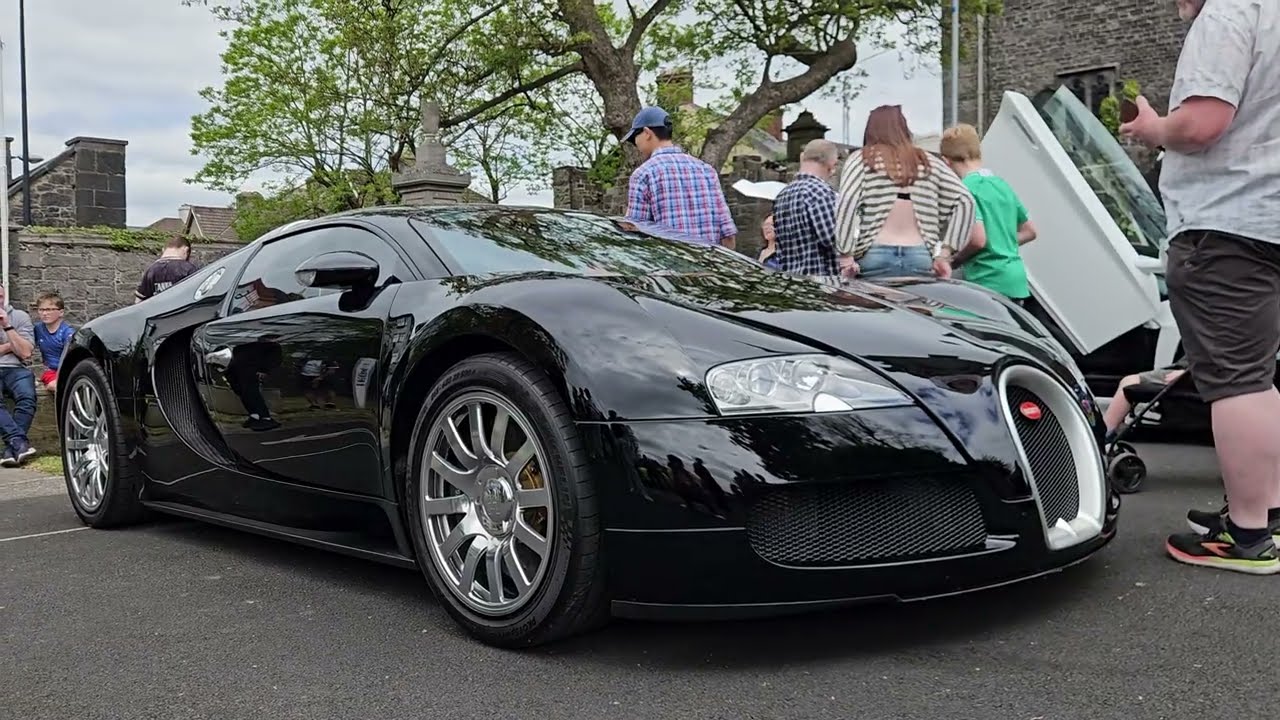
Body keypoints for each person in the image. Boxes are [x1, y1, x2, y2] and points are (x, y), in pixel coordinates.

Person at [1120, 0, 1280, 572]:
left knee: (1237, 385)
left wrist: (1153, 127)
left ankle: (1248, 538)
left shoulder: (1229, 13)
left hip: (1226, 221)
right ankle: (1265, 512)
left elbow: (1202, 124)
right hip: (1270, 221)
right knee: (1257, 379)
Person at [834, 105, 975, 280]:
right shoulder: (928, 161)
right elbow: (965, 200)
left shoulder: (862, 160)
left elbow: (847, 202)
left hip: (875, 254)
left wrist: (846, 255)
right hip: (920, 255)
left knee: (875, 307)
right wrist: (946, 252)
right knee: (914, 308)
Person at [939, 124, 1038, 304]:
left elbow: (978, 239)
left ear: (946, 162)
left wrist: (953, 259)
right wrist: (1000, 243)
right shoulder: (1002, 185)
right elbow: (1030, 231)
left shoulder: (966, 188)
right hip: (1015, 281)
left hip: (987, 280)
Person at [622, 106, 738, 250]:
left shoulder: (644, 174)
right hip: (709, 266)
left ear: (647, 133)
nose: (636, 145)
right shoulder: (706, 171)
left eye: (634, 139)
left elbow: (635, 232)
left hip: (669, 268)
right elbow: (727, 233)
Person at [771, 139, 840, 277]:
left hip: (792, 283)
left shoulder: (782, 195)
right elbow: (834, 240)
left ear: (803, 157)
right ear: (832, 164)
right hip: (823, 283)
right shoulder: (820, 193)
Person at [1101, 358, 1189, 440]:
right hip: (1191, 368)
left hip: (1192, 372)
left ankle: (1103, 435)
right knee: (1129, 381)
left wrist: (1187, 372)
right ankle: (1106, 432)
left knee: (1129, 382)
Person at [0, 286, 37, 467]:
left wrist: (7, 325)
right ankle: (18, 442)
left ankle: (10, 449)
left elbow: (25, 352)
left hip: (16, 368)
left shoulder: (20, 317)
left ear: (4, 296)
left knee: (27, 397)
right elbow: (17, 347)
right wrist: (9, 346)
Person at [32, 292, 75, 395]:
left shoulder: (67, 333)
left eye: (49, 310)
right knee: (53, 385)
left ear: (61, 312)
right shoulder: (37, 329)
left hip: (68, 370)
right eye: (41, 310)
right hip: (51, 371)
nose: (44, 313)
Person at [136, 236, 199, 303]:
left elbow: (139, 301)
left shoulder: (151, 270)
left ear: (163, 250)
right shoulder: (190, 269)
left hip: (159, 312)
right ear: (185, 250)